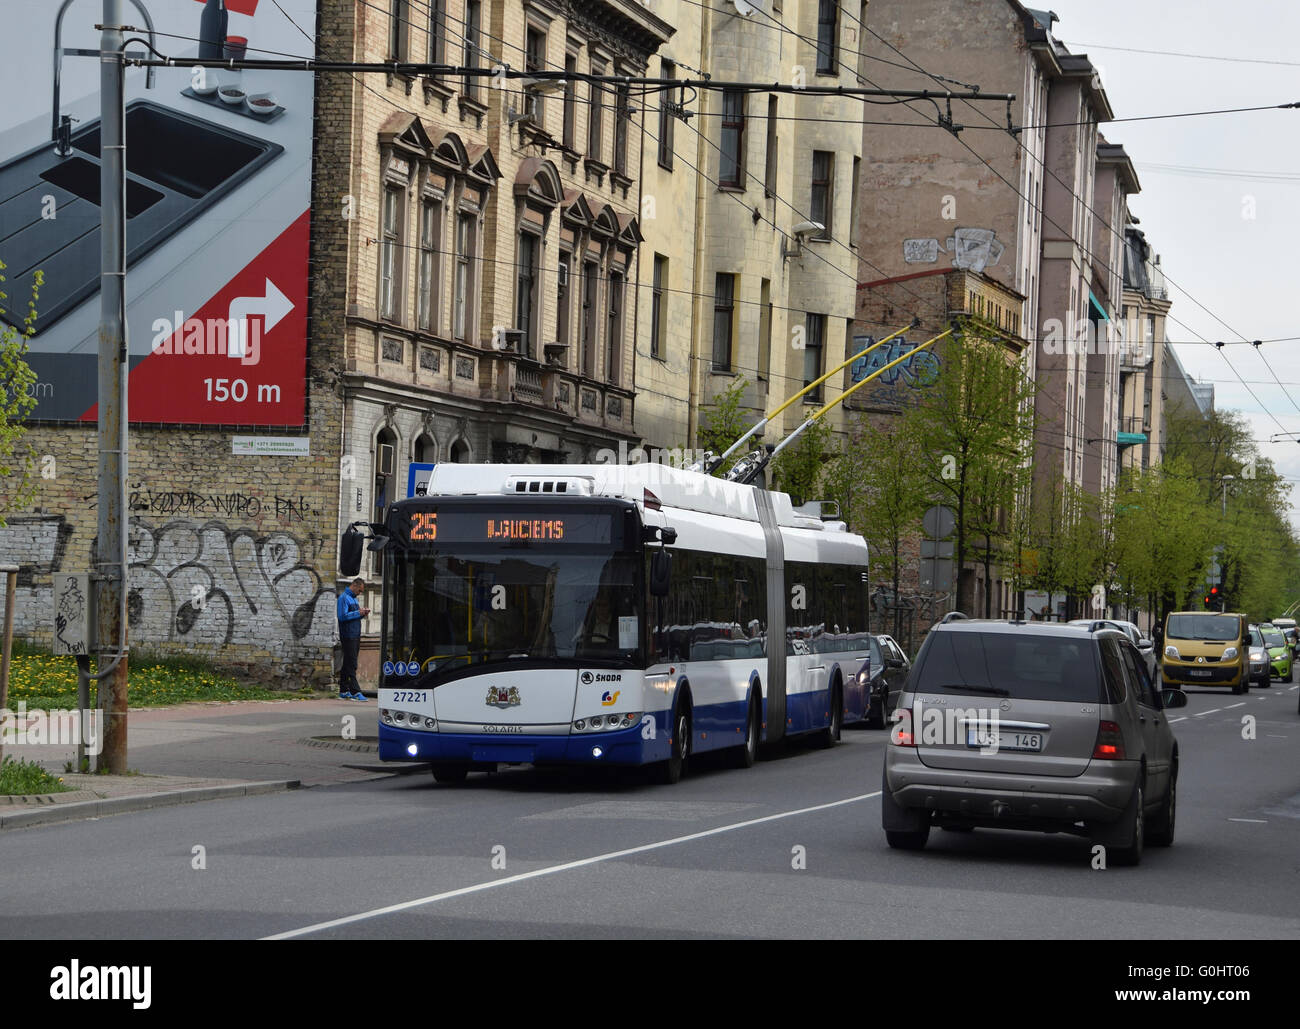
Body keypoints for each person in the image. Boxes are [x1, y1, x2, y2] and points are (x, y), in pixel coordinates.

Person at [336, 577, 370, 701]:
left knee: (347, 662)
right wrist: (358, 613)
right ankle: (355, 691)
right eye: (359, 591)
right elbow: (342, 616)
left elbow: (353, 617)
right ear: (354, 585)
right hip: (348, 635)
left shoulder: (353, 599)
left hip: (355, 634)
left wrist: (362, 614)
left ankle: (344, 690)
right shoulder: (344, 598)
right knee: (352, 663)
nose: (359, 593)